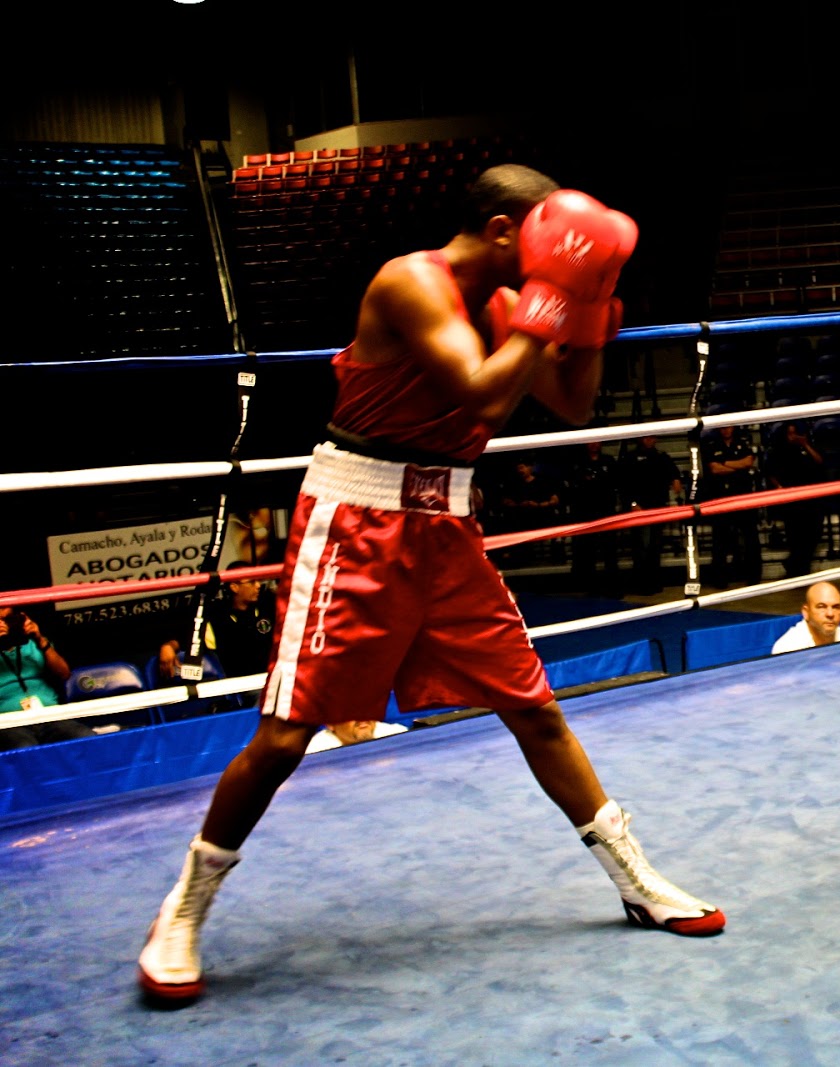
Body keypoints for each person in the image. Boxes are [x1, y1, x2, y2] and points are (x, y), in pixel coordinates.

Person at [135, 165, 724, 1006]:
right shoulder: (411, 281)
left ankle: (637, 879)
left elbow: (573, 404)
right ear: (500, 230)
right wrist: (556, 295)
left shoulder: (499, 307)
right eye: (546, 237)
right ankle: (181, 912)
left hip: (446, 523)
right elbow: (480, 392)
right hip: (357, 519)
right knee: (286, 734)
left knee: (535, 707)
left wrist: (587, 313)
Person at [0, 605, 92, 751]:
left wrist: (40, 639)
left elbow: (64, 674)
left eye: (7, 619)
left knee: (85, 737)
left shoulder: (34, 644)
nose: (2, 624)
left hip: (49, 714)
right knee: (25, 749)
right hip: (9, 722)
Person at [616, 434, 683, 594]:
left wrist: (676, 479)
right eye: (646, 438)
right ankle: (641, 582)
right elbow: (622, 484)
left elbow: (674, 473)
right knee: (641, 546)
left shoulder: (661, 457)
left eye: (652, 438)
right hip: (639, 508)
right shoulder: (630, 458)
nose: (649, 441)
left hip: (657, 507)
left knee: (654, 546)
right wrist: (632, 503)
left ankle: (653, 581)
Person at [764, 420, 828, 579]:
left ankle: (795, 564)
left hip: (810, 497)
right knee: (795, 536)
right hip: (791, 499)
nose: (793, 437)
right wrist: (779, 487)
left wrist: (805, 445)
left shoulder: (808, 447)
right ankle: (798, 569)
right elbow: (769, 470)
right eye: (790, 433)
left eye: (795, 433)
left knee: (814, 533)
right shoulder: (779, 450)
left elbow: (820, 462)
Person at [703, 425, 762, 587]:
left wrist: (725, 463)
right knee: (720, 540)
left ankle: (753, 577)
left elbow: (748, 462)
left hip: (743, 497)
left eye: (728, 427)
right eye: (722, 428)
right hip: (722, 497)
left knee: (751, 538)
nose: (725, 431)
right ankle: (719, 579)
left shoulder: (743, 443)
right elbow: (714, 469)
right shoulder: (711, 446)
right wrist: (737, 466)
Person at [566, 440, 622, 596]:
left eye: (597, 441)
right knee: (587, 551)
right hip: (586, 512)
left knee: (610, 550)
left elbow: (616, 483)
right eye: (590, 442)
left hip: (606, 511)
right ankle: (590, 588)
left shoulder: (609, 461)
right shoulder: (578, 464)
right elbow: (574, 487)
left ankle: (614, 588)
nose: (594, 444)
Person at [203, 565, 278, 676]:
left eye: (258, 580)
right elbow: (188, 636)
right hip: (239, 685)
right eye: (252, 581)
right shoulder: (217, 615)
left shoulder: (268, 605)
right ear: (234, 587)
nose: (258, 585)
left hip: (272, 678)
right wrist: (170, 647)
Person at [771, 580, 840, 654]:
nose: (830, 614)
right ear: (806, 612)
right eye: (821, 607)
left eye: (835, 607)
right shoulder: (787, 648)